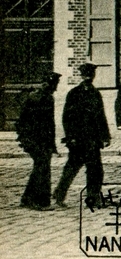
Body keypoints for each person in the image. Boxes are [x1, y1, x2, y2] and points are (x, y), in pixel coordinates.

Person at [54, 63, 110, 208]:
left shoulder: (95, 93)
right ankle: (59, 194)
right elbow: (67, 117)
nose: (88, 78)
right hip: (78, 140)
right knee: (71, 168)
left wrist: (105, 136)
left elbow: (101, 116)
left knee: (95, 170)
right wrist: (70, 136)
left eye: (90, 75)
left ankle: (93, 198)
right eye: (86, 75)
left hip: (92, 140)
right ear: (82, 76)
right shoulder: (74, 93)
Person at [18, 72, 60, 209]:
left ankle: (27, 199)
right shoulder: (44, 98)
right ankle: (40, 202)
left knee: (39, 168)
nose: (56, 88)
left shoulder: (40, 96)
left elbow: (49, 124)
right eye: (55, 85)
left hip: (36, 139)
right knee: (43, 169)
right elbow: (45, 123)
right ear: (50, 85)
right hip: (37, 140)